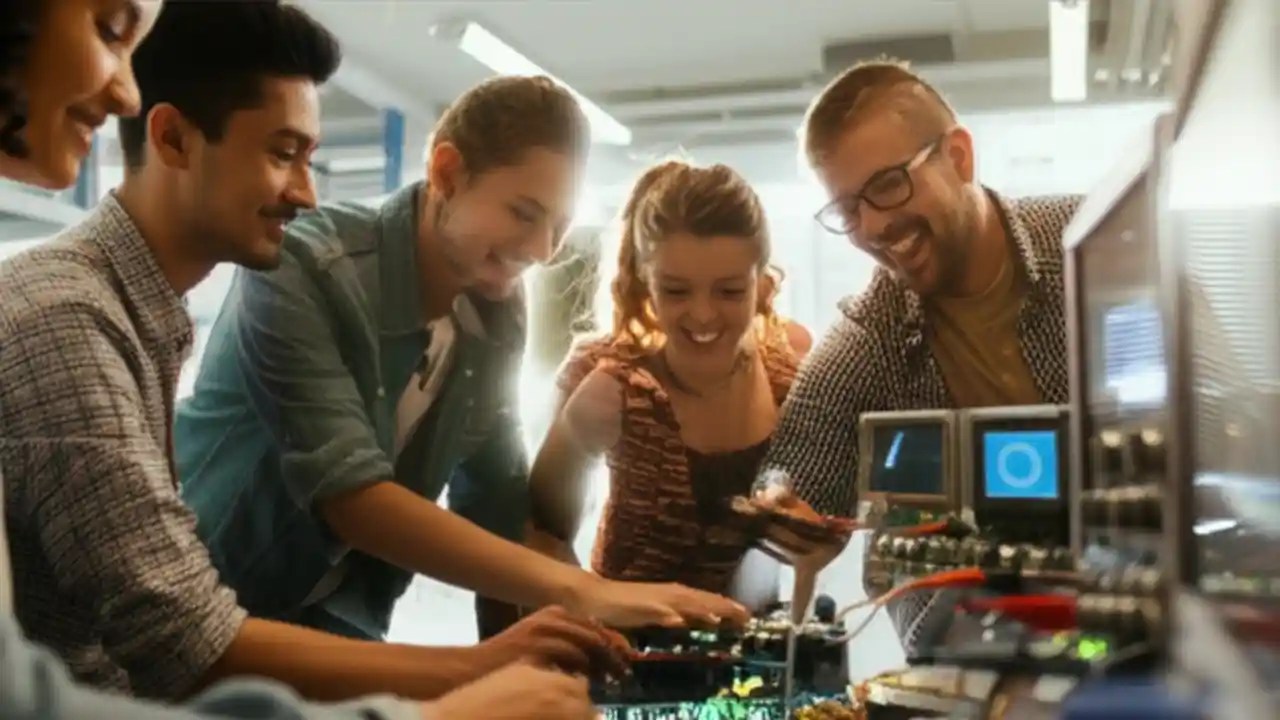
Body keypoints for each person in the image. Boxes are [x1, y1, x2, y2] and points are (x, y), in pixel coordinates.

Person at [0, 1, 609, 715]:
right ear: (172, 140)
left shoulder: (136, 315)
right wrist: (476, 674)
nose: (306, 193)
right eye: (281, 154)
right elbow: (184, 643)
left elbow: (496, 502)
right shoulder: (68, 318)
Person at [171, 70, 748, 641]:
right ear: (447, 173)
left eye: (559, 225)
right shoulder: (304, 266)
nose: (544, 251)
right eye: (524, 213)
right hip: (191, 622)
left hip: (338, 631)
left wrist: (545, 649)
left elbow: (496, 503)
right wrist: (587, 592)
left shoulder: (496, 310)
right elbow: (351, 499)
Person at [757, 60, 1081, 649]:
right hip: (972, 658)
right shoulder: (871, 333)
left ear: (958, 157)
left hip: (1141, 621)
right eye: (848, 209)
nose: (873, 226)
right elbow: (793, 472)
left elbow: (1223, 412)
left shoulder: (1089, 246)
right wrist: (785, 504)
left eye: (887, 185)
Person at [528, 160, 811, 606]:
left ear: (762, 283)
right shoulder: (607, 383)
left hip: (758, 650)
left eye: (730, 291)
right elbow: (542, 534)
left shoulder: (790, 361)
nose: (702, 314)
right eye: (677, 291)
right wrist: (597, 615)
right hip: (633, 653)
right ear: (645, 281)